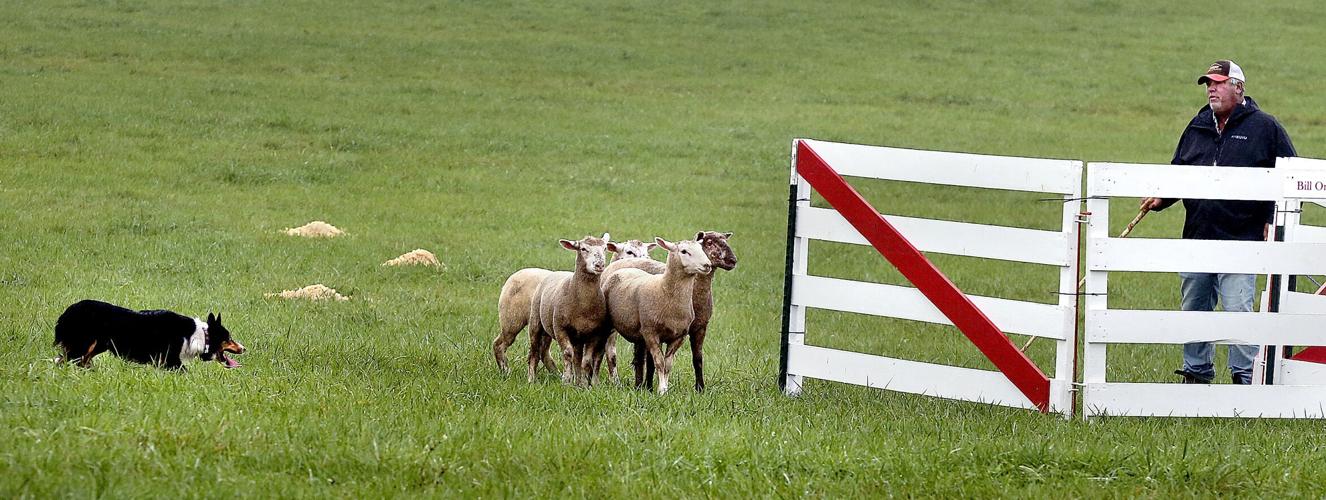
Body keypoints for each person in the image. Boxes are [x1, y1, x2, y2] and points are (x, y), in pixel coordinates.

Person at [1140, 59, 1296, 385]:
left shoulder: (1265, 127)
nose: (1211, 89)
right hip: (1197, 235)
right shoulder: (1197, 125)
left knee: (1238, 309)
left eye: (1218, 83)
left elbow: (1291, 176)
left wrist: (1271, 218)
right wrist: (1162, 199)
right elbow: (1180, 172)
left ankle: (1244, 377)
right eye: (1208, 83)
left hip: (1242, 237)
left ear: (1238, 88)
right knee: (1194, 307)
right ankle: (1196, 373)